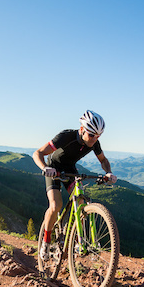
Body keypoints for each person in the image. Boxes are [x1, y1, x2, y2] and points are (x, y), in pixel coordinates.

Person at [33, 110, 117, 260]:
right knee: (55, 205)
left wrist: (109, 172)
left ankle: (77, 238)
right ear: (82, 129)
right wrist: (45, 168)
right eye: (91, 135)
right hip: (54, 168)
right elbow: (38, 153)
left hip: (70, 169)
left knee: (81, 201)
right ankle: (45, 241)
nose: (94, 140)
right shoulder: (66, 136)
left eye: (98, 136)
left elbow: (103, 160)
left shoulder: (94, 143)